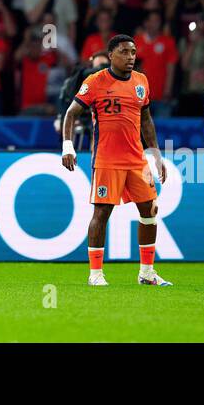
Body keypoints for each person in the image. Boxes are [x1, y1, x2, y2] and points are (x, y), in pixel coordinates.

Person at [61, 34, 171, 287]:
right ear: (111, 55)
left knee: (150, 210)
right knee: (102, 213)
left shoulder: (141, 81)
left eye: (133, 52)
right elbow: (71, 113)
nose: (130, 57)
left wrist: (154, 154)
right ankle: (96, 274)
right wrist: (68, 146)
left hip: (136, 160)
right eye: (124, 52)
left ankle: (147, 272)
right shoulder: (95, 81)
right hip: (107, 159)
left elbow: (146, 120)